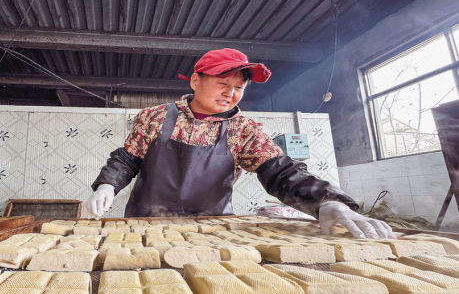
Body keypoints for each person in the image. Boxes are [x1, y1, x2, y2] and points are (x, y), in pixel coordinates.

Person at [82, 48, 393, 239]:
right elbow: (127, 159)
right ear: (195, 81)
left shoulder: (244, 130)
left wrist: (329, 202)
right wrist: (107, 185)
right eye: (221, 83)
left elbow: (282, 173)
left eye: (238, 87)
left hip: (214, 230)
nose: (230, 93)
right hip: (146, 224)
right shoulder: (155, 117)